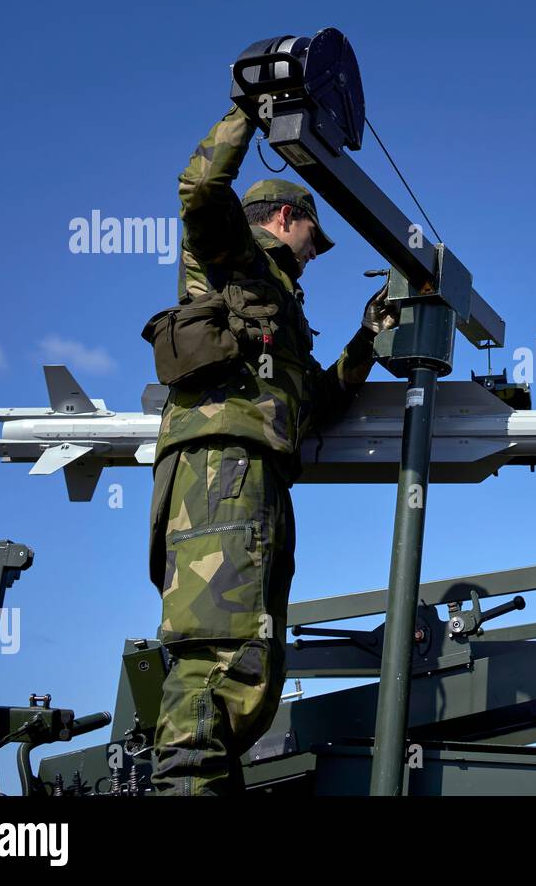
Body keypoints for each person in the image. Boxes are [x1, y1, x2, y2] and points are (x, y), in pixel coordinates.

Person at [145, 104, 397, 795]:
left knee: (250, 663)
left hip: (256, 476)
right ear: (284, 217)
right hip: (221, 469)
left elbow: (315, 402)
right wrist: (247, 111)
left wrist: (368, 335)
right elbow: (199, 190)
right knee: (218, 661)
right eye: (315, 235)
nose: (315, 251)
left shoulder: (282, 306)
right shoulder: (234, 257)